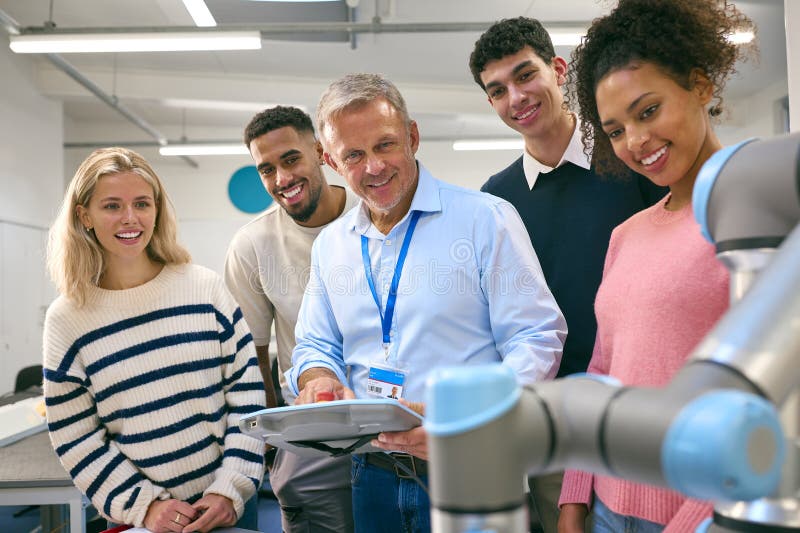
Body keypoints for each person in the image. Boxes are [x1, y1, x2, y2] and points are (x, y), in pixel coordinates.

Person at [285, 73, 567, 533]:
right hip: (371, 471)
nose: (373, 167)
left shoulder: (484, 219)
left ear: (413, 137)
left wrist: (463, 416)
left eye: (385, 145)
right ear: (330, 161)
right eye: (353, 155)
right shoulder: (331, 246)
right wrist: (318, 379)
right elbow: (316, 343)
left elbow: (537, 337)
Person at [557, 1, 754, 531]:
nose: (635, 142)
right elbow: (601, 373)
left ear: (701, 85)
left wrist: (693, 521)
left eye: (648, 111)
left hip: (701, 513)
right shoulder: (627, 235)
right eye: (616, 129)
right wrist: (575, 498)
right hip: (604, 507)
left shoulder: (754, 222)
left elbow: (774, 400)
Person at [468, 17, 666, 533]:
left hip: (644, 405)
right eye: (498, 91)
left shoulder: (630, 154)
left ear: (557, 70)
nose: (516, 97)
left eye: (525, 75)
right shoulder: (494, 200)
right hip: (552, 421)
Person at [43, 147, 266, 533]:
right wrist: (144, 507)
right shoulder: (67, 320)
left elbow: (247, 395)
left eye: (142, 203)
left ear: (157, 210)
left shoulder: (204, 289)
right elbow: (77, 439)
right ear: (85, 216)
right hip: (142, 522)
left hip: (226, 510)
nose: (130, 218)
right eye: (112, 205)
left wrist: (229, 489)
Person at [224, 105, 358, 532]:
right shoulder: (253, 245)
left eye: (291, 159)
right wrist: (267, 443)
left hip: (386, 406)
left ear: (320, 151)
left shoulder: (371, 214)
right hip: (310, 421)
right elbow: (253, 356)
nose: (281, 179)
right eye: (266, 169)